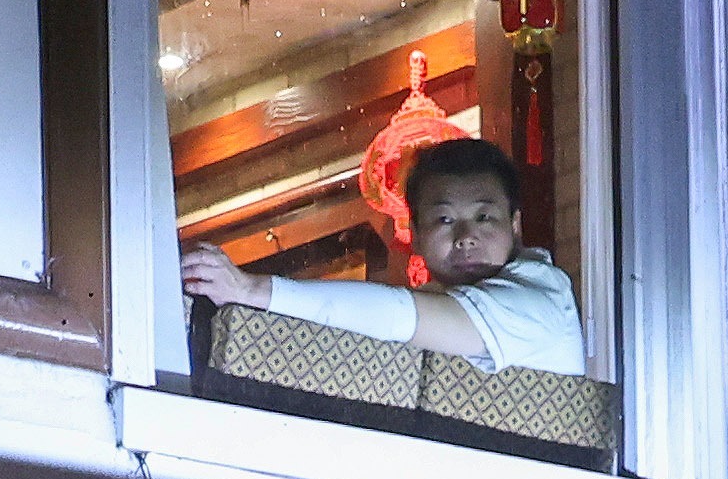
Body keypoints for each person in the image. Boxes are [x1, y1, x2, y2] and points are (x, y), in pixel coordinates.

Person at [182, 138, 583, 373]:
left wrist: (251, 290)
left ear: (515, 225)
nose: (465, 238)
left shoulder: (541, 297)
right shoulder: (437, 299)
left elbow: (397, 315)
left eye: (484, 217)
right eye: (444, 219)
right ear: (416, 234)